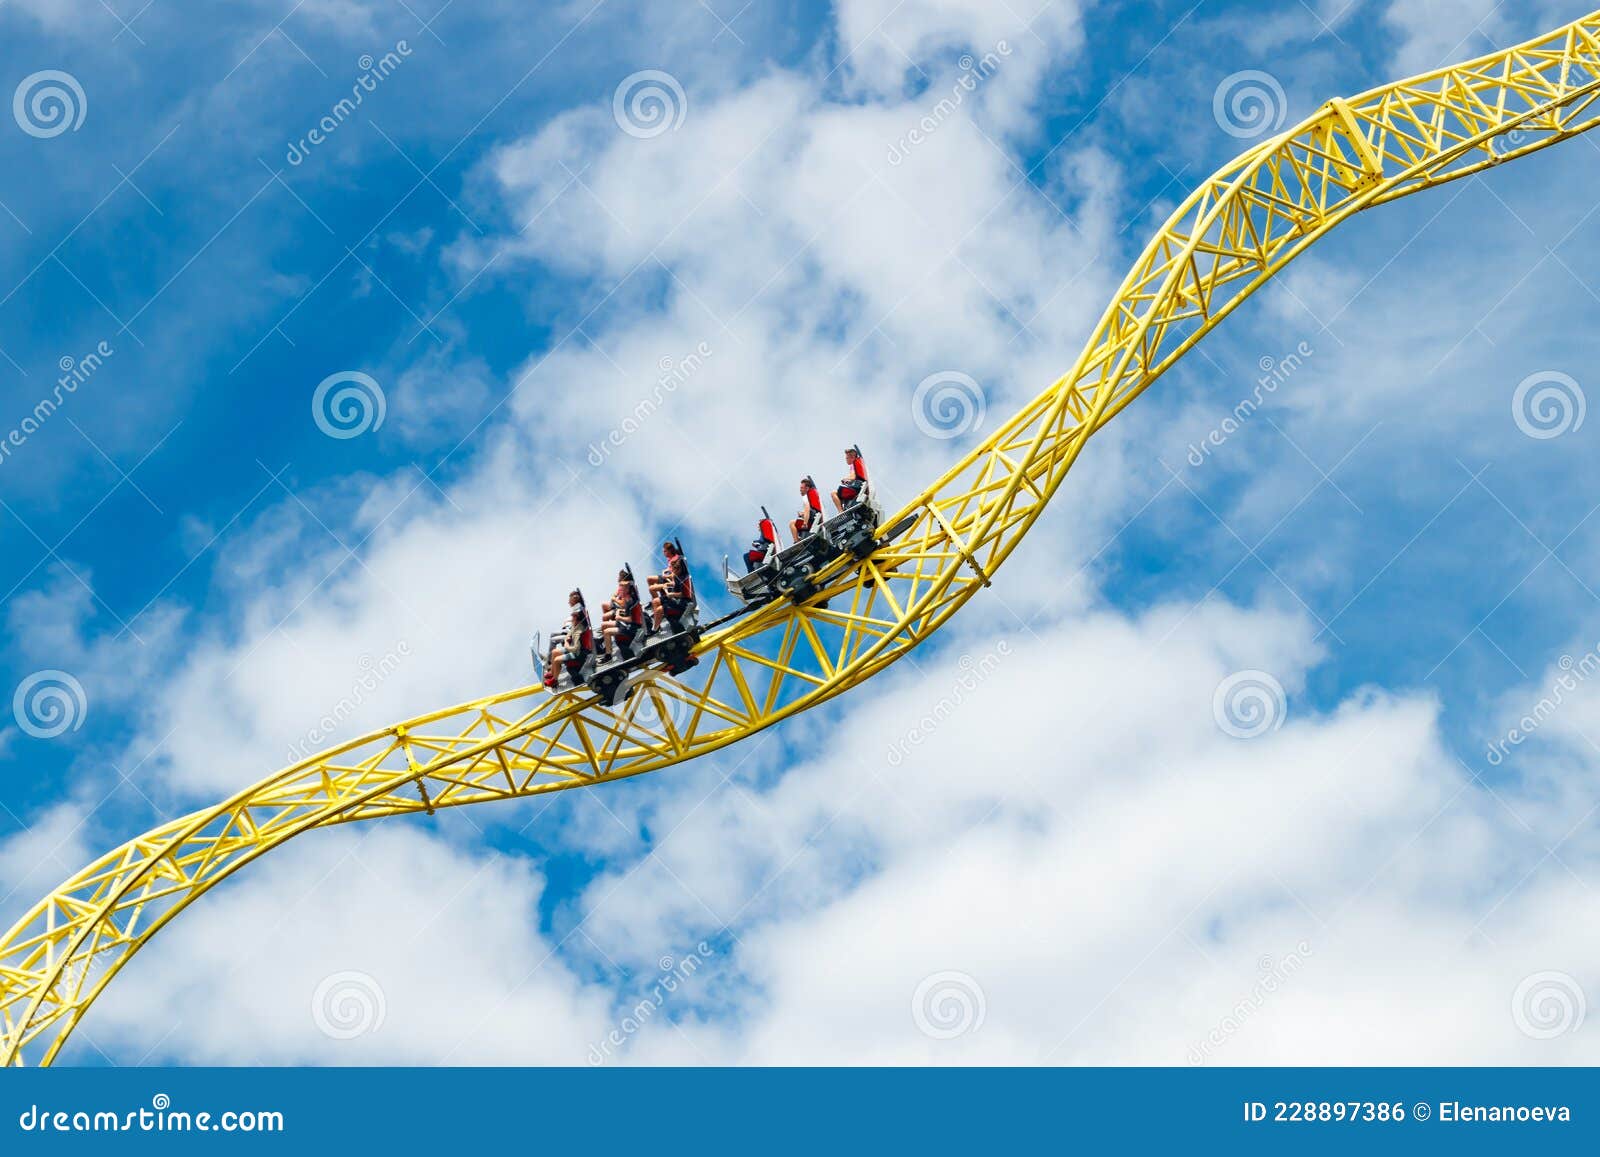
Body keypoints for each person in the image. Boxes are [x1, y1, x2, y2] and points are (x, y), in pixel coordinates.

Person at [648, 539, 695, 630]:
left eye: (673, 571)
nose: (672, 572)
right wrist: (666, 586)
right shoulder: (676, 575)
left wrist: (671, 594)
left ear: (678, 570)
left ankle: (655, 629)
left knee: (659, 609)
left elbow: (684, 594)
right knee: (655, 601)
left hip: (681, 603)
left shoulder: (684, 580)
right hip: (674, 595)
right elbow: (674, 583)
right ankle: (657, 618)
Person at [602, 567, 646, 660]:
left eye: (623, 587)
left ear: (627, 588)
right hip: (625, 620)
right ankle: (607, 646)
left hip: (631, 626)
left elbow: (630, 619)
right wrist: (619, 613)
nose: (620, 588)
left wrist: (618, 617)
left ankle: (608, 655)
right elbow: (618, 601)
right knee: (604, 625)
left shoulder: (629, 600)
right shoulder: (627, 596)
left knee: (606, 631)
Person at [833, 445, 869, 512]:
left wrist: (845, 479)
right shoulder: (858, 465)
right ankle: (844, 509)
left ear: (852, 457)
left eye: (847, 458)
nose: (846, 459)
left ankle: (840, 512)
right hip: (859, 487)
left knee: (834, 493)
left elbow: (853, 475)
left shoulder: (854, 465)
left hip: (856, 488)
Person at [790, 476, 823, 542]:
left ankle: (796, 542)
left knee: (792, 523)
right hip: (816, 517)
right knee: (796, 521)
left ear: (807, 488)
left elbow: (807, 508)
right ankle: (799, 539)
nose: (800, 490)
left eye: (802, 488)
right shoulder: (813, 493)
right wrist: (803, 514)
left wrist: (805, 522)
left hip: (814, 519)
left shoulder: (807, 496)